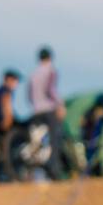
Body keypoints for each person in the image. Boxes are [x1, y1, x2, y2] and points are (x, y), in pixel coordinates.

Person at [28, 46, 66, 180]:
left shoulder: (34, 73)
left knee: (37, 140)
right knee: (55, 139)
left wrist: (35, 105)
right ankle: (54, 171)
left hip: (36, 110)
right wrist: (60, 105)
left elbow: (30, 94)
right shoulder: (50, 70)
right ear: (50, 57)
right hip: (49, 110)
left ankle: (33, 170)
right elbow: (50, 90)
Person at [0, 69, 22, 181]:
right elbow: (6, 103)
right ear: (9, 80)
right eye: (15, 80)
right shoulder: (6, 90)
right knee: (13, 142)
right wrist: (8, 119)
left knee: (0, 147)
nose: (16, 83)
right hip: (3, 121)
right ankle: (12, 172)